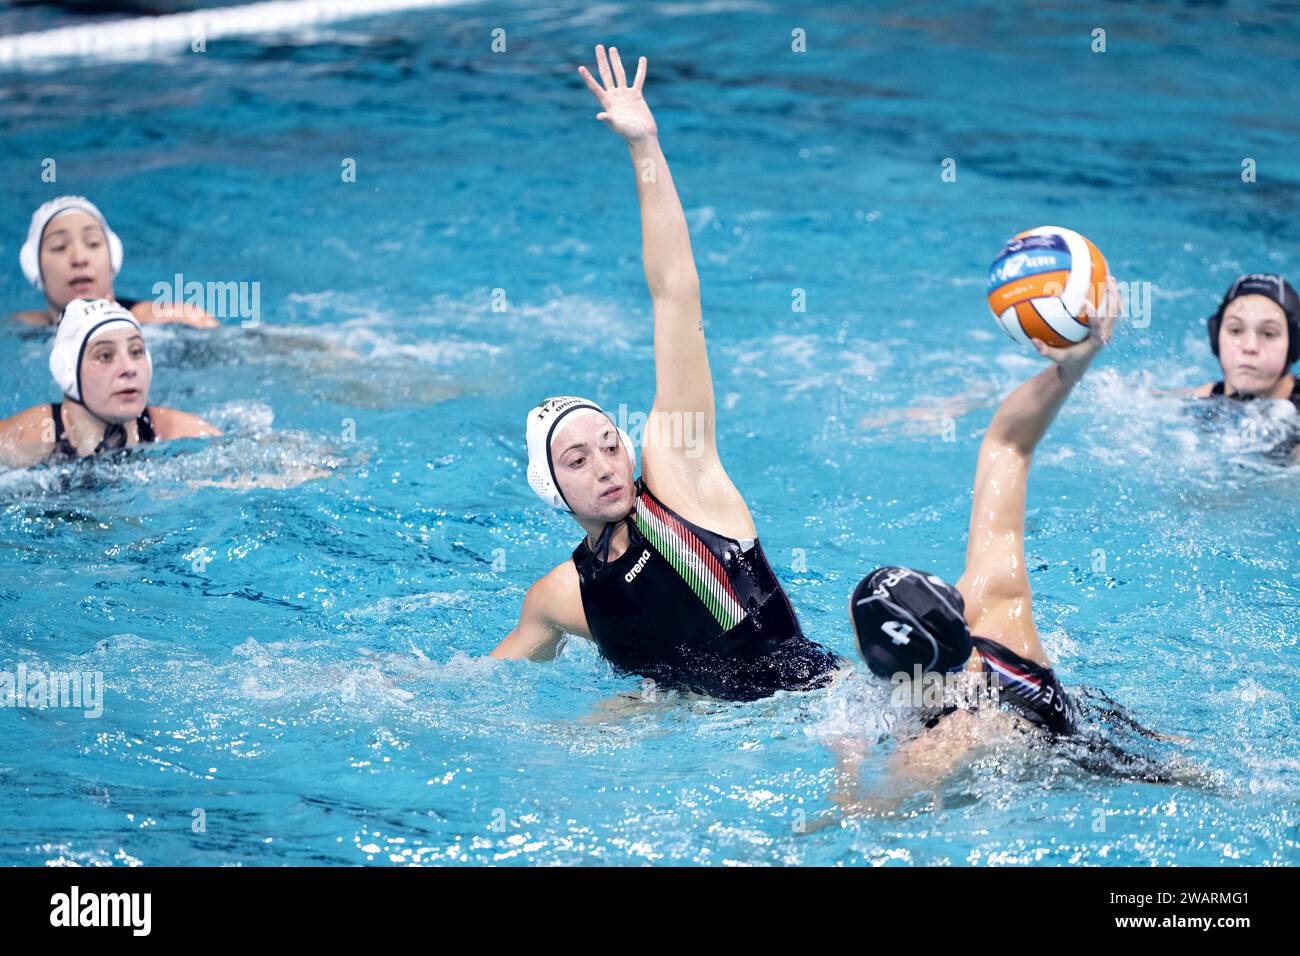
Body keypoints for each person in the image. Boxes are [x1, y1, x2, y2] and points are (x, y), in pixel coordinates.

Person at [490, 45, 842, 701]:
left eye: (609, 445)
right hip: (713, 751)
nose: (604, 466)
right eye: (576, 459)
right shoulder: (561, 598)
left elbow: (675, 292)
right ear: (551, 489)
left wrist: (644, 147)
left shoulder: (679, 481)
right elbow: (477, 688)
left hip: (819, 708)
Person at [842, 279, 1179, 803]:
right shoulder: (993, 601)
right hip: (1086, 713)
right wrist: (1074, 365)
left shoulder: (938, 747)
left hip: (1083, 771)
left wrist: (845, 758)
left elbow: (863, 818)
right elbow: (1007, 444)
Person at [0, 298, 219, 468]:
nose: (129, 368)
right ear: (66, 369)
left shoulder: (179, 434)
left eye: (136, 352)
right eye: (105, 355)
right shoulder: (28, 437)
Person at [11, 196, 216, 328]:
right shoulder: (20, 329)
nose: (79, 259)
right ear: (33, 266)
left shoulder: (177, 321)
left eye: (92, 243)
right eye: (59, 247)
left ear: (113, 258)